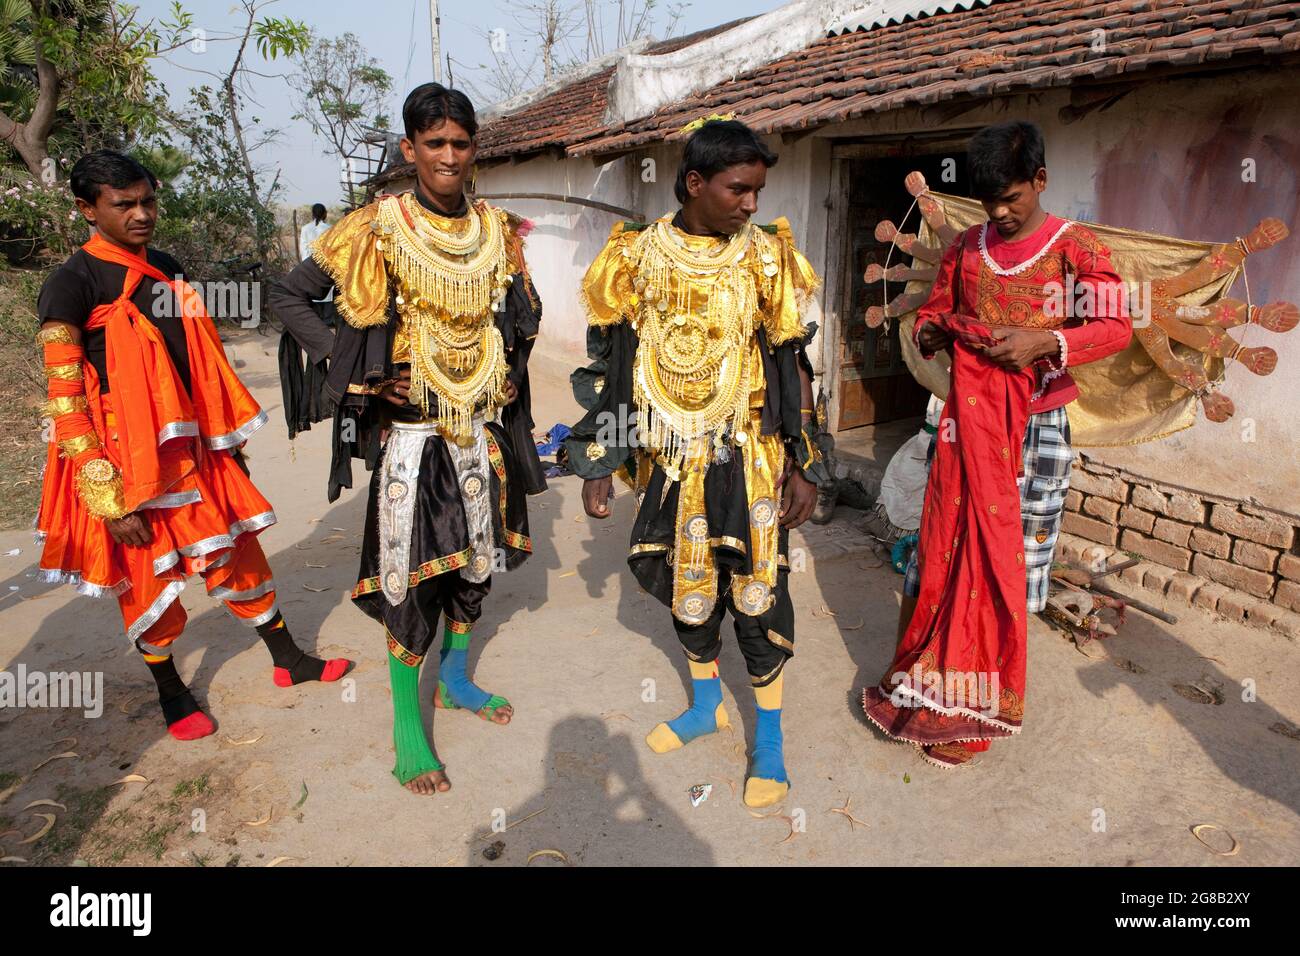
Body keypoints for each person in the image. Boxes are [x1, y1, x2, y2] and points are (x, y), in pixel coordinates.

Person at [270, 83, 545, 796]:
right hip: (413, 438)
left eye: (460, 143)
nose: (449, 157)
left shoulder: (497, 230)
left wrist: (510, 374)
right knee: (410, 577)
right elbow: (289, 297)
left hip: (480, 432)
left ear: (474, 148)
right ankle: (404, 727)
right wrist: (353, 367)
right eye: (435, 144)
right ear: (410, 149)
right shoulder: (375, 226)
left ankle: (454, 679)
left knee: (474, 569)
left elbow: (520, 318)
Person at [34, 150, 350, 741]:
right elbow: (65, 397)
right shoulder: (69, 283)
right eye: (123, 205)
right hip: (125, 463)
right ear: (86, 210)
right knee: (147, 579)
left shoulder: (168, 267)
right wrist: (107, 497)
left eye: (148, 201)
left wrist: (226, 443)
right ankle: (172, 693)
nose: (141, 214)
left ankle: (289, 660)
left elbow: (196, 361)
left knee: (238, 550)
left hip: (193, 447)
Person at [566, 119, 821, 808]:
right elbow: (611, 364)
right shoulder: (636, 257)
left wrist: (805, 461)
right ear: (694, 183)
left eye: (758, 191)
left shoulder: (768, 258)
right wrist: (600, 456)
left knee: (759, 594)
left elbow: (792, 361)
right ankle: (706, 704)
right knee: (688, 587)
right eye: (738, 189)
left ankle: (767, 737)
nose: (750, 204)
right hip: (671, 460)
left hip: (751, 455)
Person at [862, 121, 1131, 767]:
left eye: (1013, 197)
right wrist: (932, 332)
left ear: (1040, 181)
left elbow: (1117, 325)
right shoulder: (968, 249)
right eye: (990, 202)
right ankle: (917, 688)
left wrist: (1045, 341)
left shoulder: (1077, 248)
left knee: (1008, 571)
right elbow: (936, 310)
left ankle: (982, 703)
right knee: (940, 556)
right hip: (964, 424)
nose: (1002, 213)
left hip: (1036, 429)